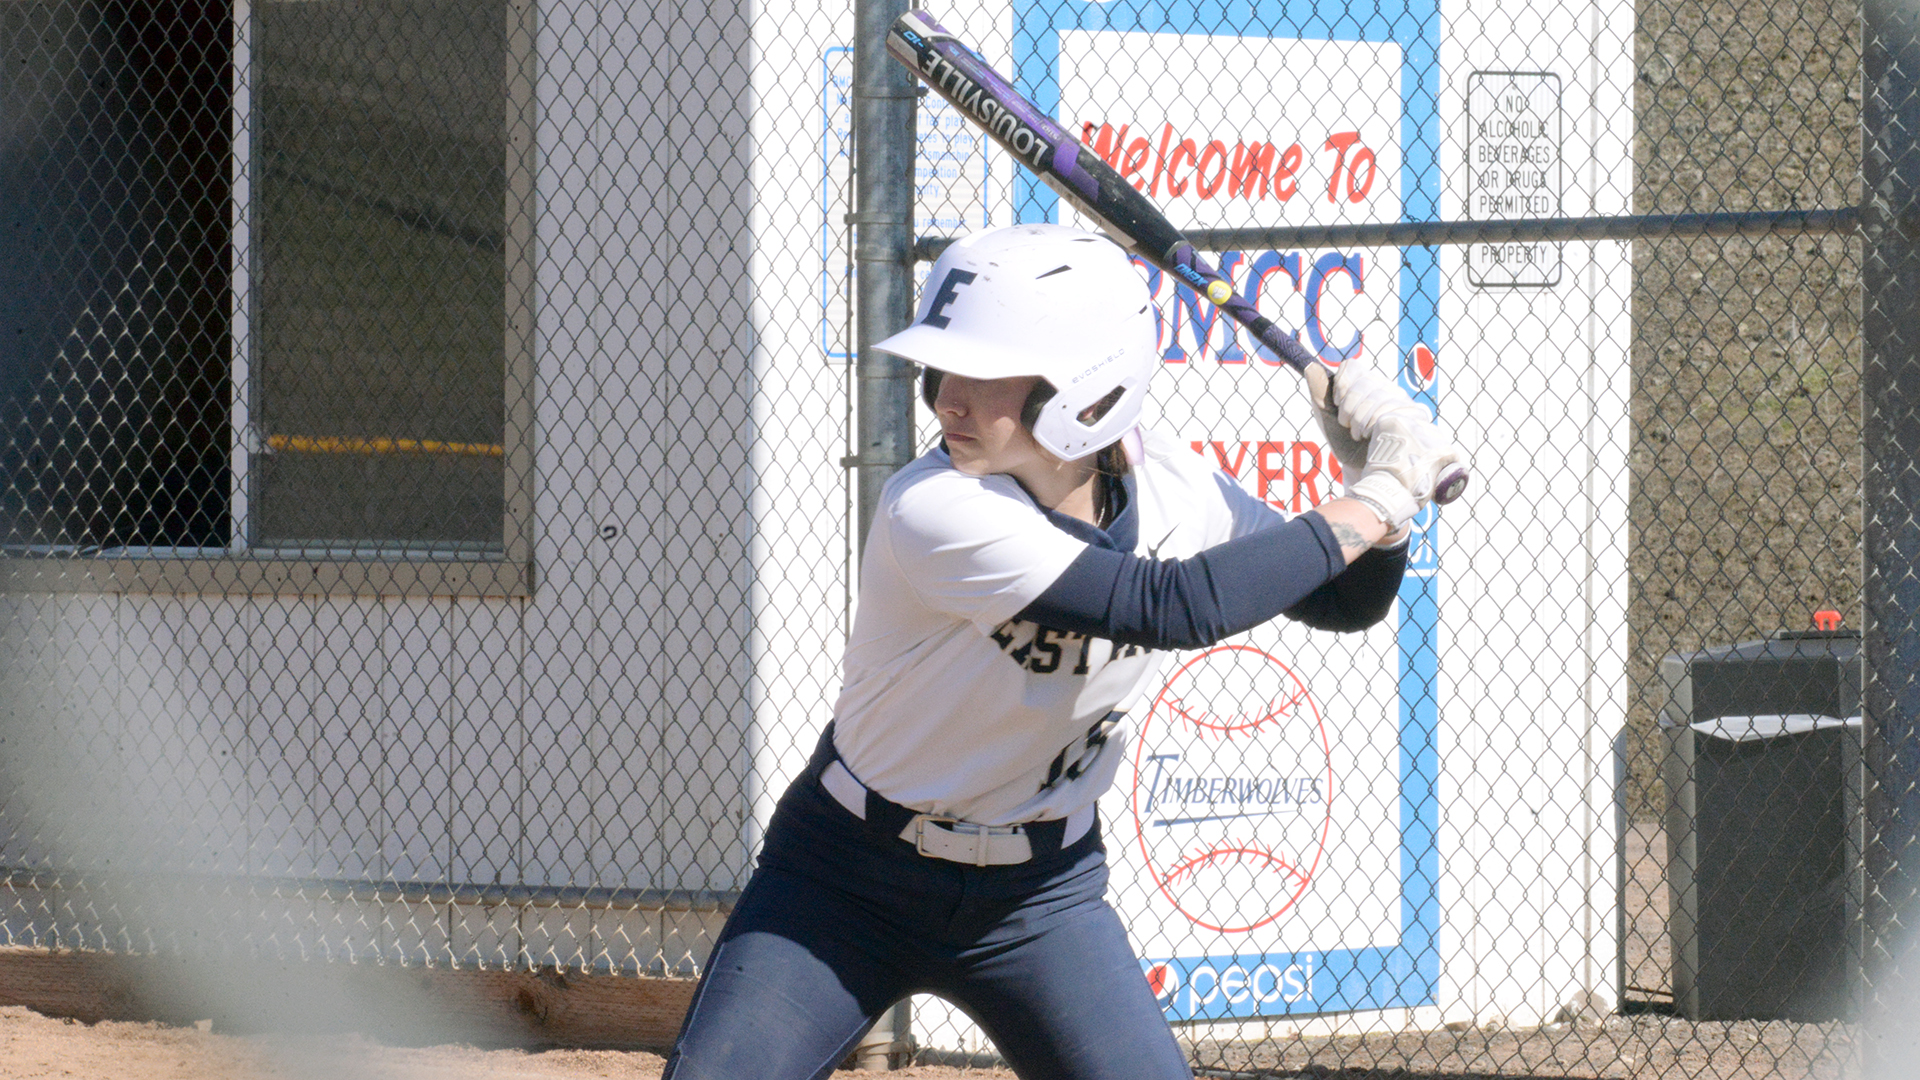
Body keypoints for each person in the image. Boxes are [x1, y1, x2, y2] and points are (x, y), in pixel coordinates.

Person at [660, 223, 1463, 1080]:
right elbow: (1171, 606)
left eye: (988, 374)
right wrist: (1381, 493)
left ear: (1090, 391)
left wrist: (1378, 509)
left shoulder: (1176, 486)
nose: (948, 401)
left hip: (1040, 897)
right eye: (942, 369)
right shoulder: (933, 508)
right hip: (848, 881)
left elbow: (1347, 602)